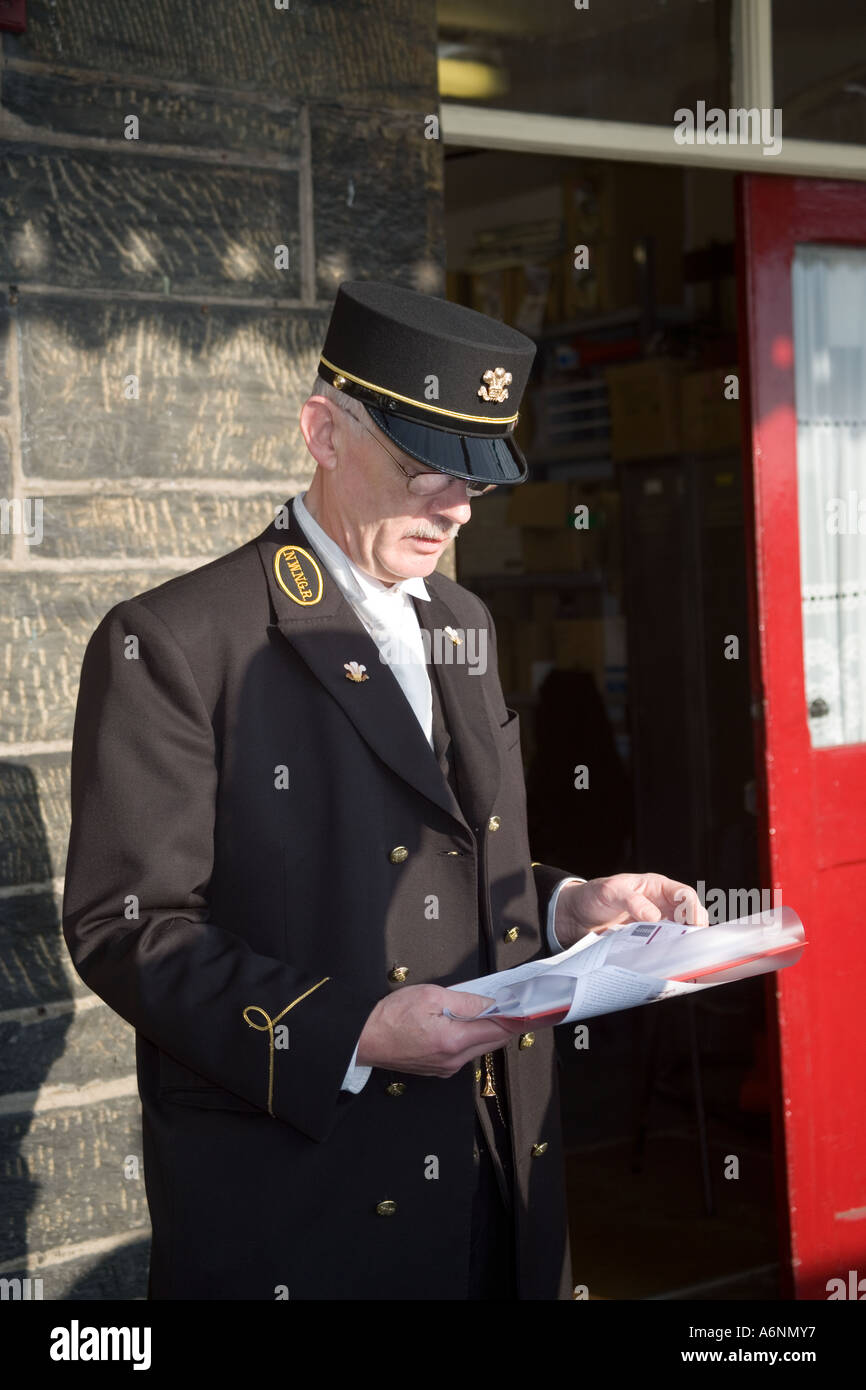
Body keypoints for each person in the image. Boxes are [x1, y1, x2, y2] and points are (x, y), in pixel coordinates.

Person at [62, 280, 706, 1301]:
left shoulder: (463, 617)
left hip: (496, 1176)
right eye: (422, 470)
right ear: (322, 430)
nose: (453, 508)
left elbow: (449, 856)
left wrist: (564, 901)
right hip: (312, 1193)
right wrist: (352, 1028)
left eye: (476, 481)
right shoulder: (177, 639)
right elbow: (128, 930)